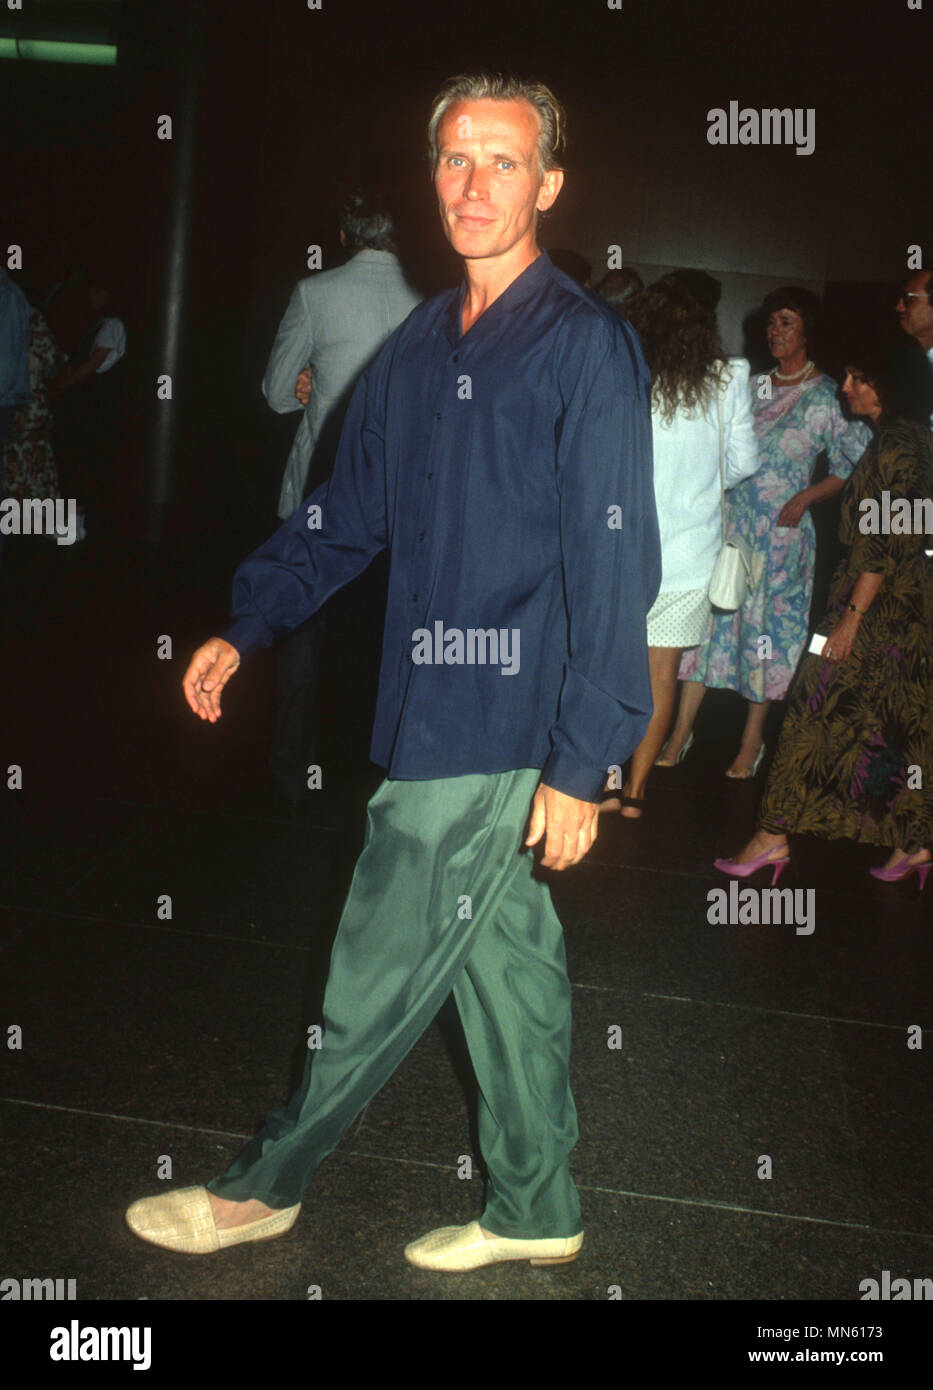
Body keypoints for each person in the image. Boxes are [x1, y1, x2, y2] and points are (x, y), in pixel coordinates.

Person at [125, 72, 660, 1273]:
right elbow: (346, 513)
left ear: (550, 184)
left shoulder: (586, 348)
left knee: (373, 955)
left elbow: (615, 563)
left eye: (504, 162)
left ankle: (266, 1186)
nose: (475, 185)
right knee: (505, 966)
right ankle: (537, 1206)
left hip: (502, 716)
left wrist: (585, 758)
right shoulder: (423, 342)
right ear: (432, 180)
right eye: (456, 160)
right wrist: (248, 618)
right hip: (430, 703)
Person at [713, 334, 933, 887]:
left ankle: (771, 835)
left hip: (875, 609)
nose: (849, 387)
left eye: (860, 378)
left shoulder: (895, 448)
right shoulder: (913, 441)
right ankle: (915, 842)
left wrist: (851, 619)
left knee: (810, 713)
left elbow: (883, 541)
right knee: (902, 725)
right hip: (905, 612)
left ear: (886, 388)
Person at [669, 287, 870, 778]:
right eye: (772, 322)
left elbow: (852, 464)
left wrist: (804, 498)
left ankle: (751, 740)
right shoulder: (752, 385)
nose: (774, 332)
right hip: (731, 526)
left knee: (767, 636)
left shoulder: (828, 394)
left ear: (807, 332)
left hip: (782, 533)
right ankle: (679, 731)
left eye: (787, 323)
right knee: (707, 629)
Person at [261, 193, 422, 801]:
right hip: (396, 500)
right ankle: (371, 770)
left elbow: (277, 393)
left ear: (343, 233)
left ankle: (290, 769)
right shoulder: (430, 299)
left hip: (317, 494)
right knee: (380, 638)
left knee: (304, 630)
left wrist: (311, 387)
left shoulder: (314, 292)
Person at [600, 270, 760, 817]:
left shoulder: (626, 369)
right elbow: (742, 464)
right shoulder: (728, 376)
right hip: (689, 558)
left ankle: (595, 780)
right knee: (661, 673)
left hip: (617, 549)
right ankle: (637, 791)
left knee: (601, 668)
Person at [52, 280, 126, 540]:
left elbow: (94, 363)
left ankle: (75, 525)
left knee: (80, 462)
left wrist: (65, 383)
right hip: (87, 403)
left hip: (93, 405)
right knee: (77, 462)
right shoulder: (99, 324)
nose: (92, 295)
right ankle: (74, 523)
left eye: (98, 290)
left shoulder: (111, 325)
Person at [2, 305, 67, 505]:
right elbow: (53, 363)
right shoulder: (27, 314)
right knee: (31, 466)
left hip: (19, 409)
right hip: (25, 408)